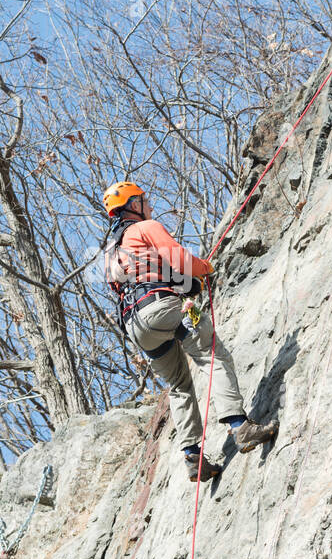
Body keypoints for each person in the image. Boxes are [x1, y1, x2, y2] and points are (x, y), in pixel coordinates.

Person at [102, 180, 278, 483]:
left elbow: (147, 275)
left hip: (138, 327)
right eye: (144, 200)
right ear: (133, 205)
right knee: (212, 354)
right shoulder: (145, 228)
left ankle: (192, 457)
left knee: (180, 384)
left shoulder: (111, 253)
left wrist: (186, 285)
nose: (150, 206)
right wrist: (204, 269)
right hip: (160, 309)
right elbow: (178, 258)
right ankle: (240, 427)